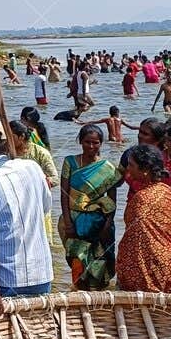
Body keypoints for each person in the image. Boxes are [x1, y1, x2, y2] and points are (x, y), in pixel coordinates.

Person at [0, 120, 55, 311]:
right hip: (42, 273)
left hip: (7, 280)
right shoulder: (33, 168)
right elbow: (45, 208)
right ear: (7, 143)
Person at [114, 144, 171, 292]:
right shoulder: (169, 192)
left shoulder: (140, 198)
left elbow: (133, 237)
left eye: (131, 165)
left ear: (145, 170)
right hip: (170, 267)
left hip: (144, 273)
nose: (128, 169)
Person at [59, 123, 120, 289]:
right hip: (74, 219)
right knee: (77, 259)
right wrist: (68, 222)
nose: (91, 146)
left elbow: (112, 201)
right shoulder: (70, 162)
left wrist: (107, 226)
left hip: (99, 222)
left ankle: (98, 298)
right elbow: (64, 195)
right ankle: (79, 294)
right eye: (87, 142)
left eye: (95, 143)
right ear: (81, 141)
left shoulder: (108, 168)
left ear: (101, 143)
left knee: (99, 261)